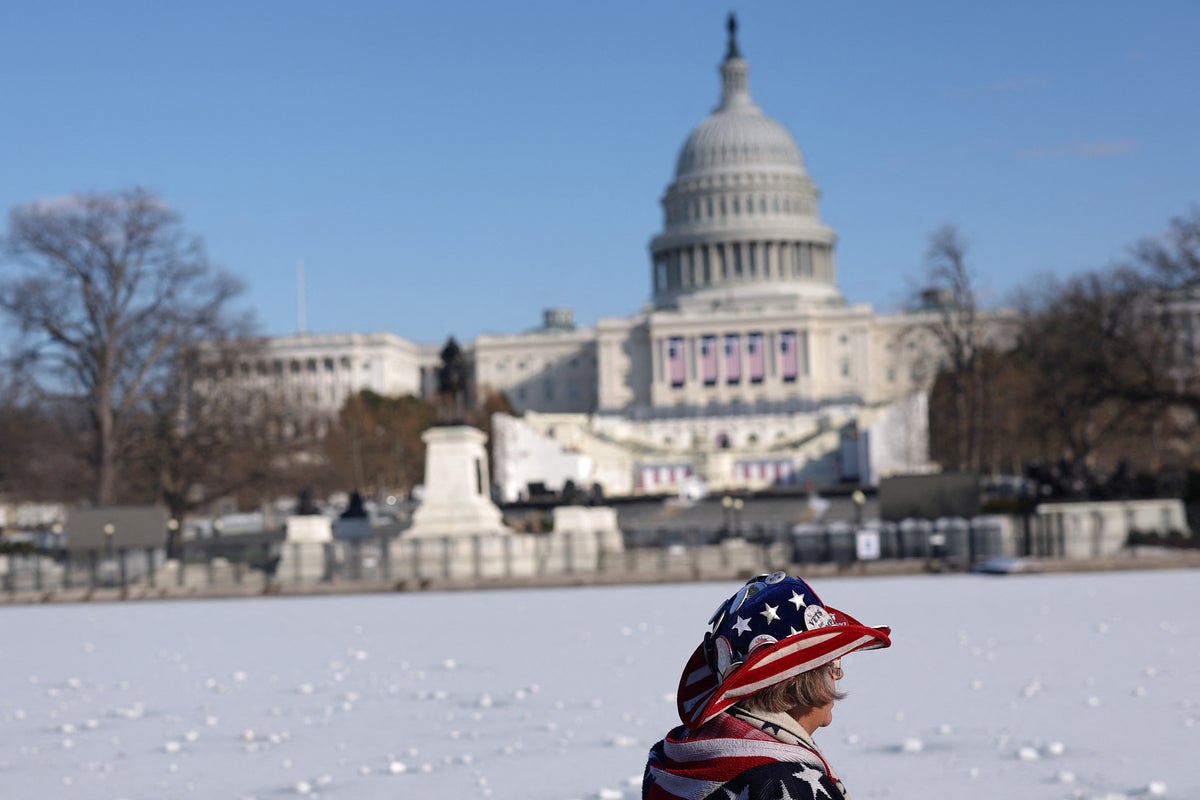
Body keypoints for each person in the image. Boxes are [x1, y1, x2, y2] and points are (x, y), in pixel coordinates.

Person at [643, 571, 891, 800]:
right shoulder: (787, 786)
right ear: (794, 682)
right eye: (833, 663)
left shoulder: (674, 761)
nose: (840, 674)